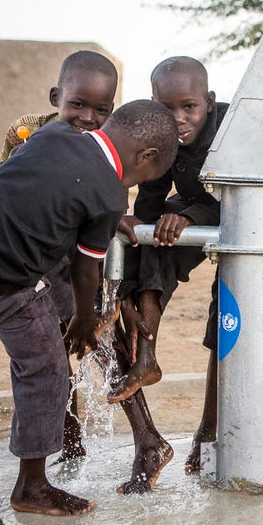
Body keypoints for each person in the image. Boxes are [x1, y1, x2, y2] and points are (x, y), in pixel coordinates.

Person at [0, 100, 178, 515]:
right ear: (147, 158)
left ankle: (114, 440)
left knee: (61, 305)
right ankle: (31, 488)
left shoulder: (54, 134)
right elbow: (87, 270)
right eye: (144, 177)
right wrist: (85, 321)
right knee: (46, 368)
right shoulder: (107, 197)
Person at [0, 49, 120, 460]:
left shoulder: (109, 142)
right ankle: (68, 440)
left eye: (101, 109)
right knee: (51, 350)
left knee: (100, 341)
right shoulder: (26, 133)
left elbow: (111, 202)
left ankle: (145, 438)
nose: (87, 118)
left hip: (81, 256)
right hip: (35, 255)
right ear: (55, 97)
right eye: (77, 104)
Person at [107, 57, 227, 478]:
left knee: (226, 325)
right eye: (167, 107)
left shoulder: (233, 127)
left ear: (209, 103)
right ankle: (147, 359)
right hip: (192, 215)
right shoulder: (164, 136)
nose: (178, 119)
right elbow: (152, 197)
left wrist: (190, 217)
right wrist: (141, 231)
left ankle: (208, 431)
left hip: (242, 216)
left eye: (189, 107)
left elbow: (236, 195)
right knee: (155, 240)